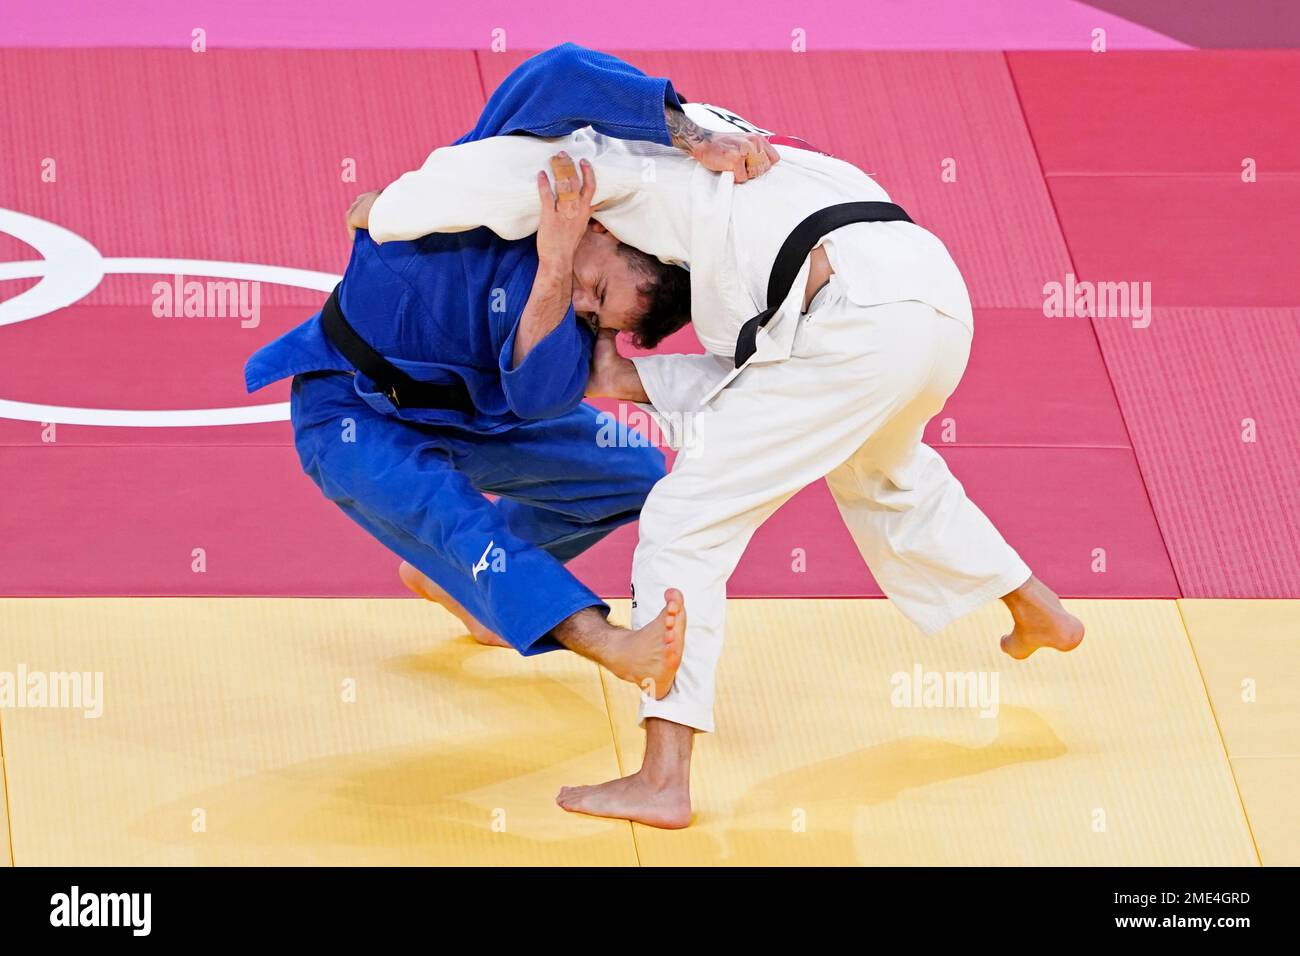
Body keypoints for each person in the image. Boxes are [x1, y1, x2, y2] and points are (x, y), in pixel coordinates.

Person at [362, 93, 1085, 828]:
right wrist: (614, 374)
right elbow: (766, 384)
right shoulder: (735, 192)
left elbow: (508, 170)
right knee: (885, 470)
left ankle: (663, 777)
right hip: (932, 306)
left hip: (858, 325)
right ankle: (1037, 609)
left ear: (615, 234)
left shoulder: (620, 174)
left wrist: (387, 210)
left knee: (684, 522)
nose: (581, 293)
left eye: (597, 290)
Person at [243, 44, 778, 701]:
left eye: (602, 320)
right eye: (597, 288)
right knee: (459, 523)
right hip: (353, 414)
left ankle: (455, 581)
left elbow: (535, 396)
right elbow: (562, 72)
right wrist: (692, 136)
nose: (586, 311)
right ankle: (610, 644)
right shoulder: (511, 173)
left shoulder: (571, 296)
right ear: (607, 230)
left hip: (479, 418)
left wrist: (558, 268)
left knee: (630, 474)